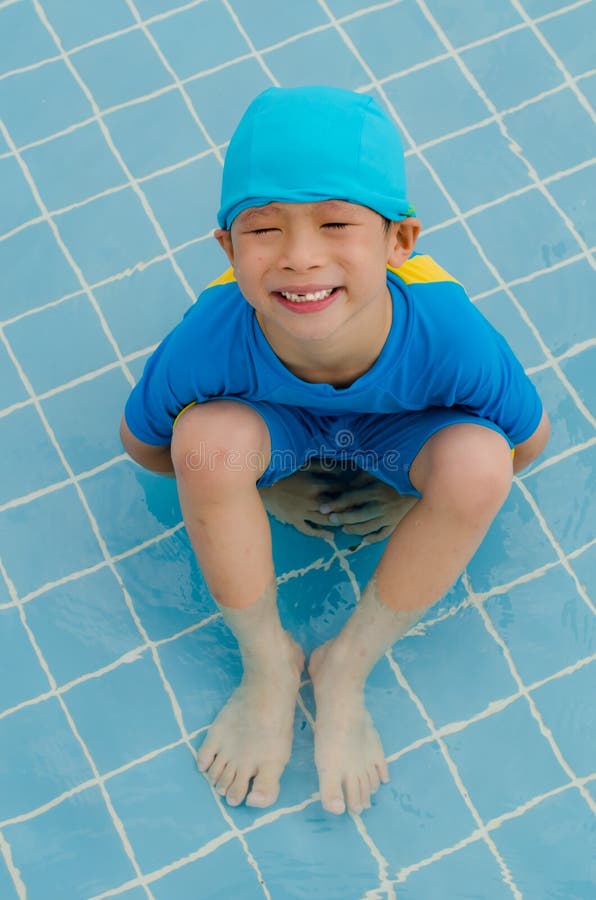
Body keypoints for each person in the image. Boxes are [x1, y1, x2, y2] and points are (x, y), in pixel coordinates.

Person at [120, 86, 550, 816]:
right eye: (264, 231)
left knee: (478, 462)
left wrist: (410, 492)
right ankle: (268, 663)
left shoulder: (448, 335)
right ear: (228, 249)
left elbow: (525, 445)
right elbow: (146, 445)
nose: (300, 258)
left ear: (399, 242)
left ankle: (346, 666)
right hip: (274, 429)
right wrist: (257, 487)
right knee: (206, 442)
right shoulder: (213, 331)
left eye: (335, 223)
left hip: (399, 438)